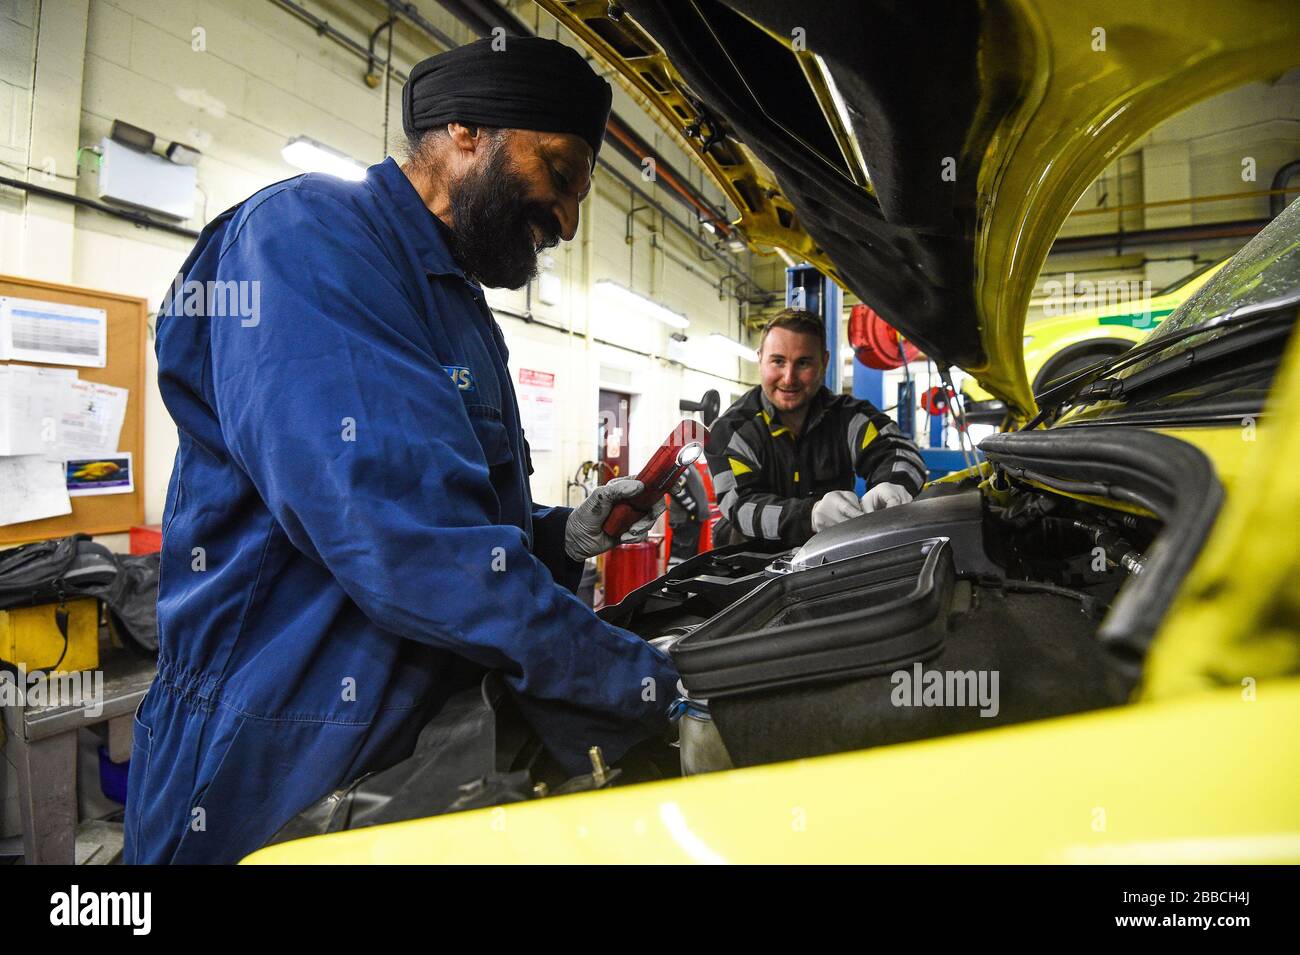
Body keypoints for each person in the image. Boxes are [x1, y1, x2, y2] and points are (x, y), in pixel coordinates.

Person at [125, 37, 677, 864]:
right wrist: (635, 681)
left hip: (408, 757)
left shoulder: (457, 305)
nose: (566, 221)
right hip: (271, 761)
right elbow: (403, 535)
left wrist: (560, 534)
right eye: (560, 175)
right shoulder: (305, 242)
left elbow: (462, 507)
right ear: (464, 129)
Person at [705, 308, 926, 548]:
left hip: (826, 565)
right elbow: (740, 506)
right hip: (747, 569)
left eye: (803, 363)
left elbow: (898, 450)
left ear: (824, 362)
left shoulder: (849, 417)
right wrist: (809, 515)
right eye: (778, 361)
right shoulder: (731, 431)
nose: (789, 378)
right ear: (760, 358)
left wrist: (893, 484)